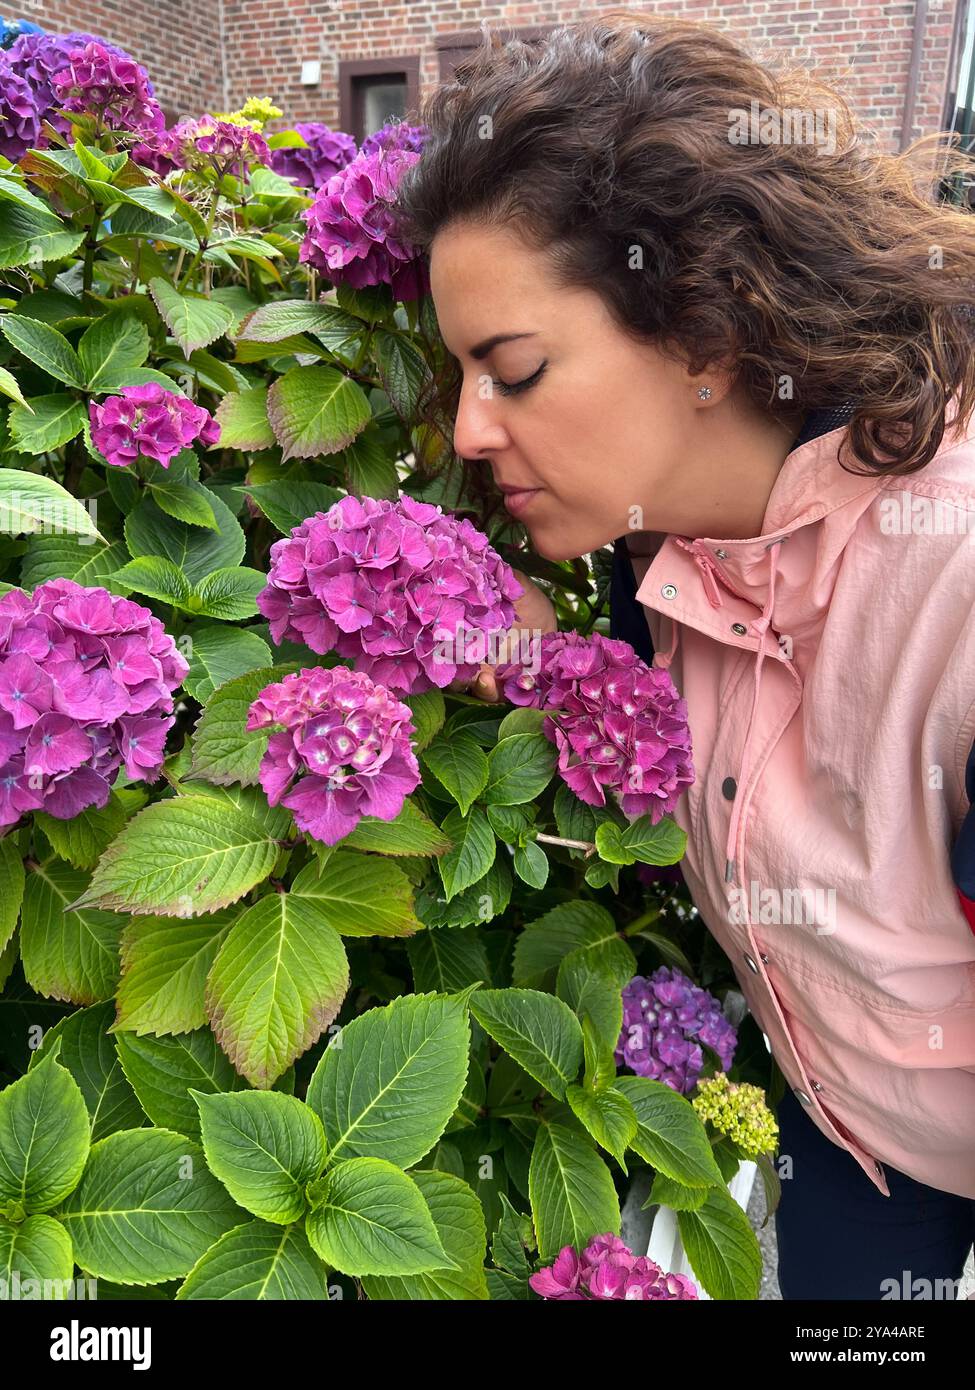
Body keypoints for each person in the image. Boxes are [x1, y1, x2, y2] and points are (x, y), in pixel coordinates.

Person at [392, 11, 975, 1299]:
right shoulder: (653, 547)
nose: (470, 430)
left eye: (517, 369)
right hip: (856, 1139)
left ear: (708, 337)